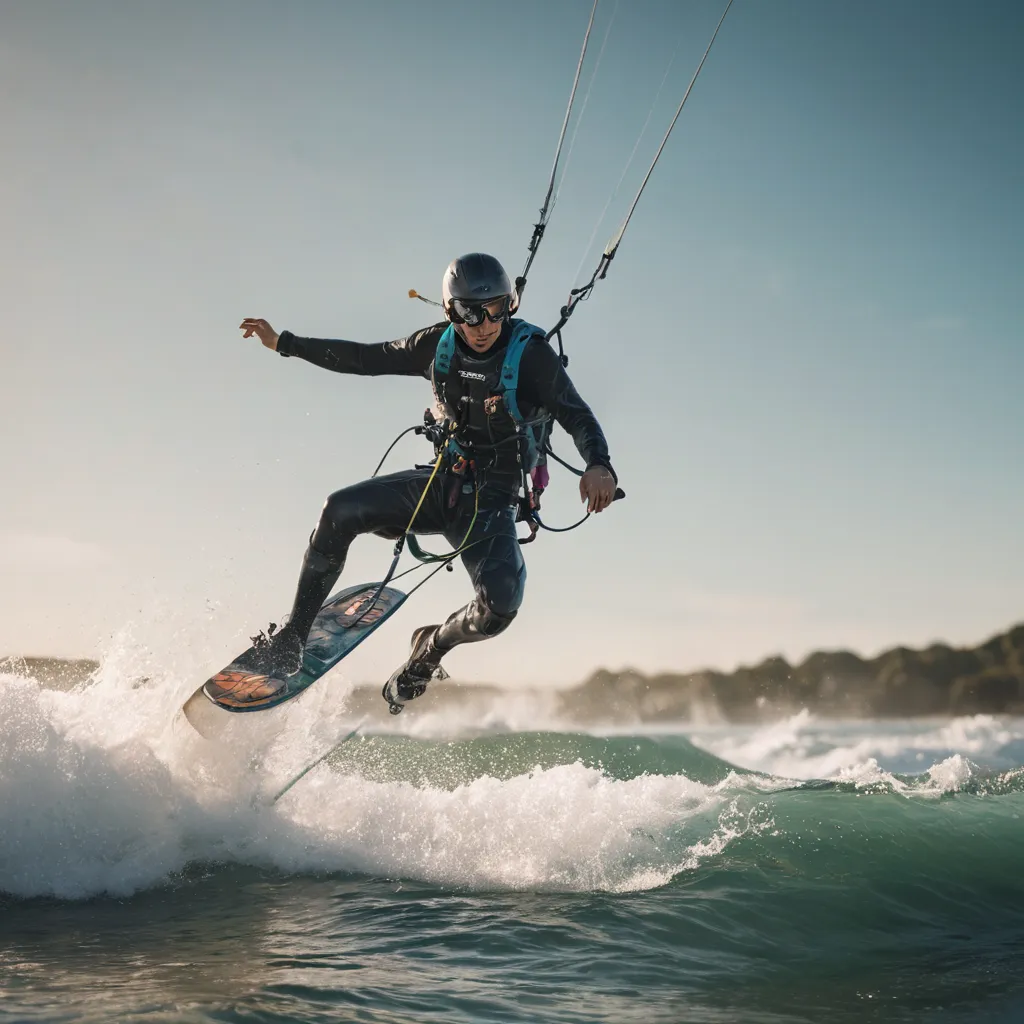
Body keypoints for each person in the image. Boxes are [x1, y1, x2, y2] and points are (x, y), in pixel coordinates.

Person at [237, 253, 618, 711]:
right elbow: (363, 358)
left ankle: (430, 649)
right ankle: (291, 640)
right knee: (338, 510)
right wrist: (285, 342)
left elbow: (577, 414)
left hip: (493, 503)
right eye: (469, 313)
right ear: (449, 311)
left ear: (509, 305)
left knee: (500, 606)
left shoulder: (532, 356)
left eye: (496, 309)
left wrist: (599, 463)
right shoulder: (434, 346)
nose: (484, 323)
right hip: (443, 485)